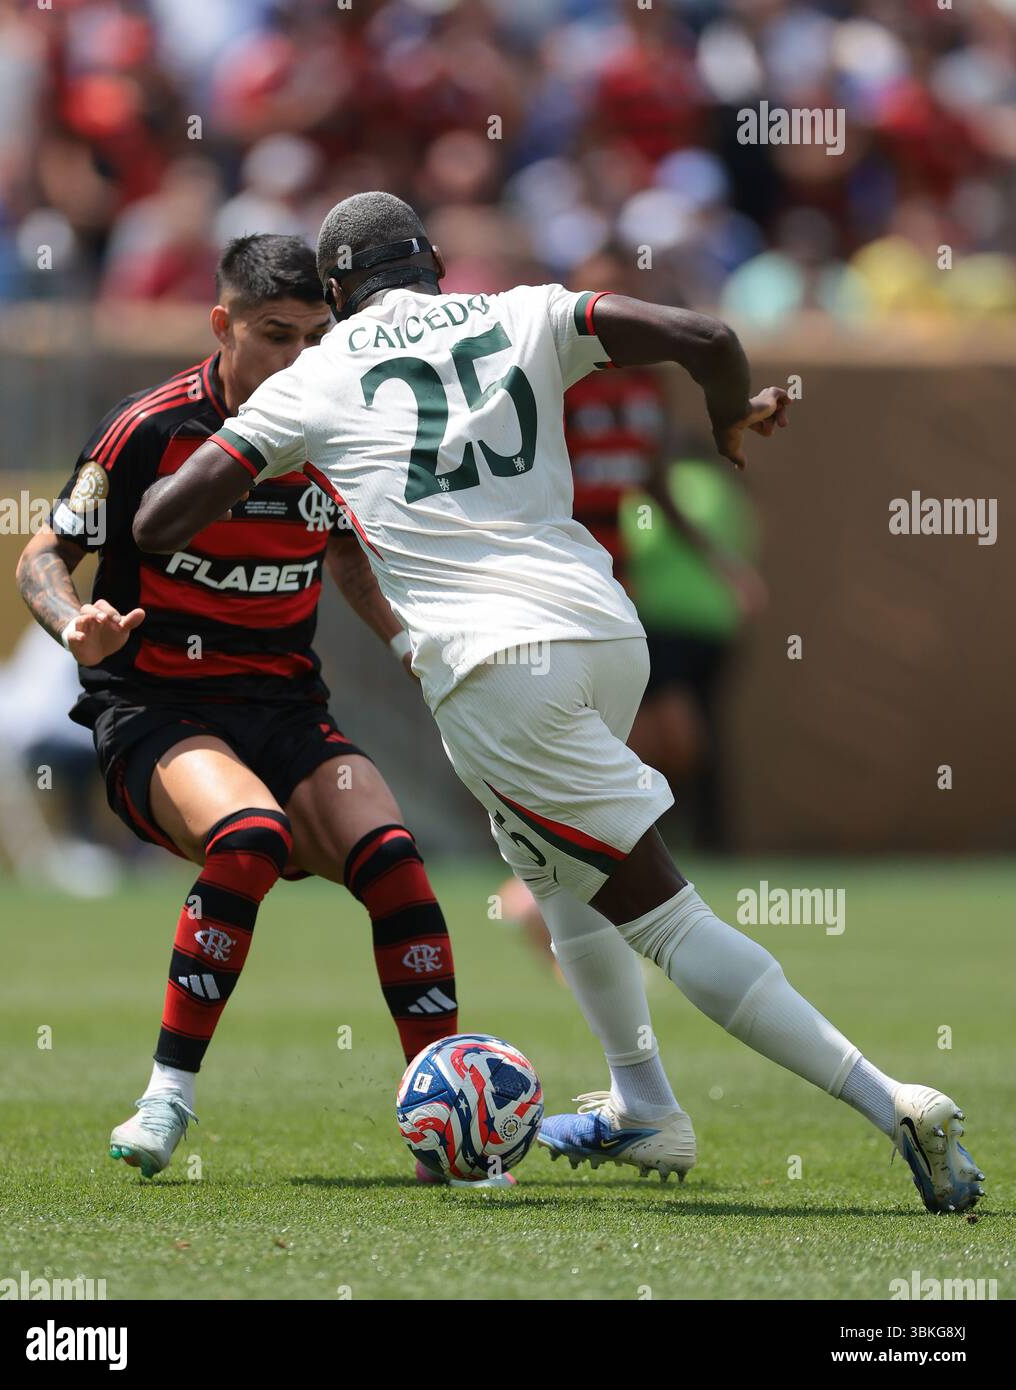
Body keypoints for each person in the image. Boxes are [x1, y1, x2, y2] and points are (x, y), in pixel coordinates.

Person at [131, 193, 983, 1214]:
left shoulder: (315, 374)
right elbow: (704, 335)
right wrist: (726, 416)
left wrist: (261, 471)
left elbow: (159, 520)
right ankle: (644, 1107)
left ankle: (893, 1101)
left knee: (661, 916)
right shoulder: (516, 310)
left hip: (495, 668)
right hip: (601, 628)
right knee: (548, 866)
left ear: (334, 294)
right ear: (436, 262)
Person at [14, 235, 469, 1185]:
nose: (298, 359)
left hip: (285, 706)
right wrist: (72, 623)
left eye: (316, 336)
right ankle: (166, 1097)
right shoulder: (148, 429)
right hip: (158, 709)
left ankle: (449, 1124)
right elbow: (42, 556)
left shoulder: (336, 420)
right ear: (222, 326)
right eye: (274, 335)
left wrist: (407, 642)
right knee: (251, 837)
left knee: (394, 864)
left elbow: (344, 547)